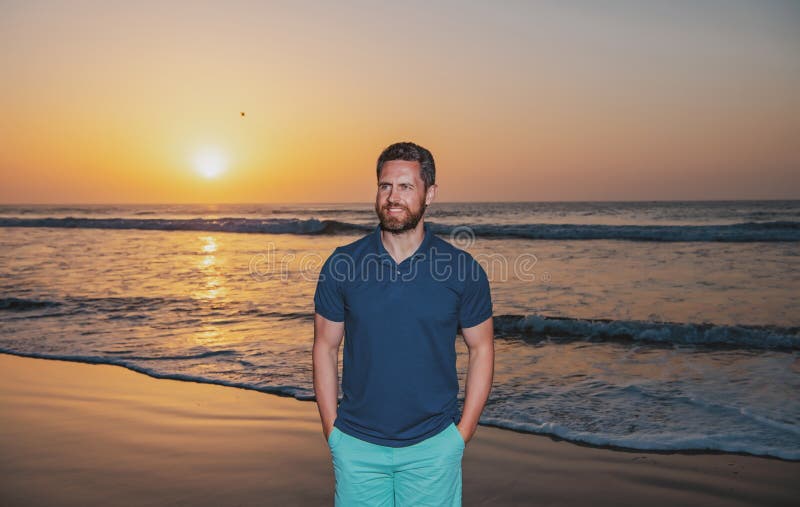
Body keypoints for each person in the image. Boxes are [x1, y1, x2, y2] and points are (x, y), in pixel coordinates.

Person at [312, 141, 494, 506]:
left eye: (406, 186)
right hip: (357, 447)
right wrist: (333, 432)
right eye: (385, 186)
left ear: (430, 194)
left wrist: (463, 433)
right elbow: (325, 346)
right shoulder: (342, 264)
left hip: (432, 448)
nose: (393, 197)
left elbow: (482, 348)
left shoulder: (461, 269)